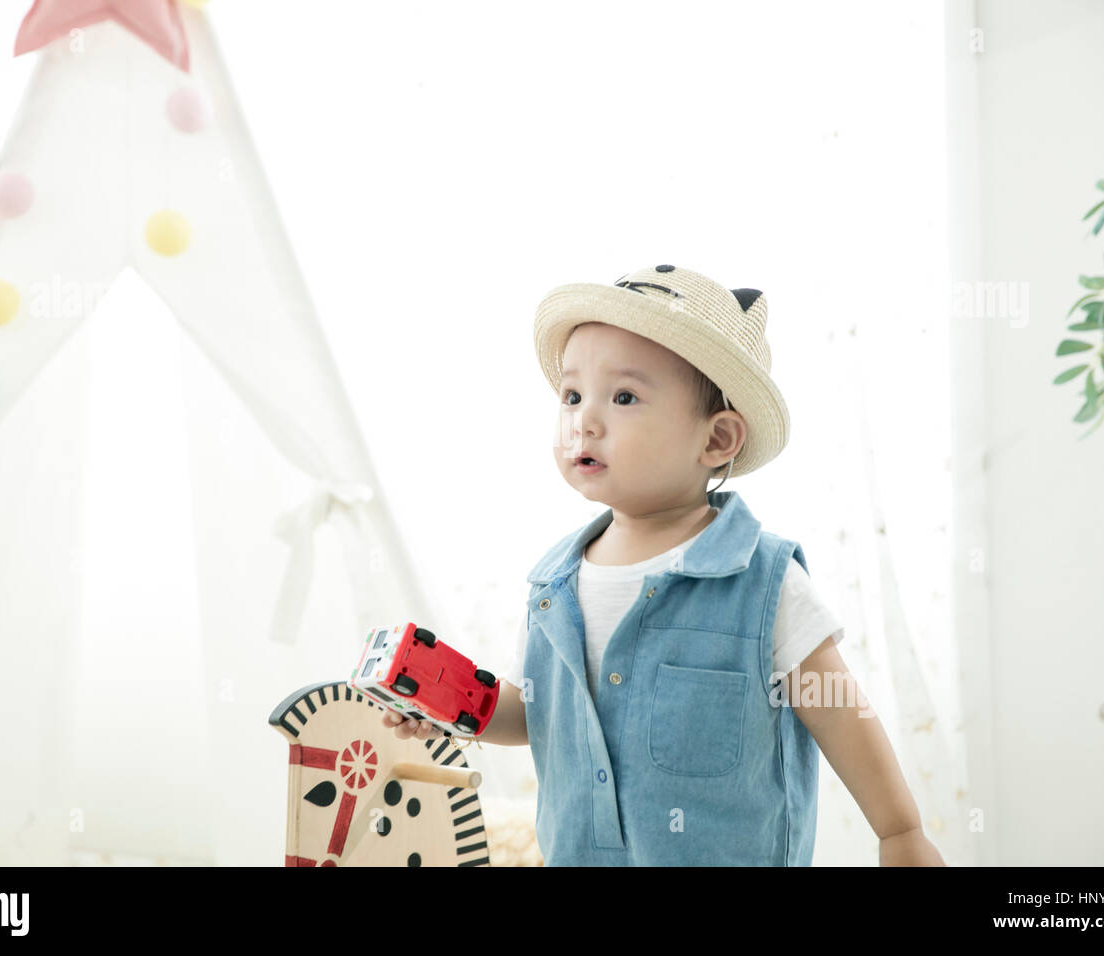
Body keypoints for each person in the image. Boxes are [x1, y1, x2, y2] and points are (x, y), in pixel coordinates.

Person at [385, 263, 944, 866]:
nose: (584, 419)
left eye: (623, 397)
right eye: (573, 395)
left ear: (717, 440)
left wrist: (900, 831)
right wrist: (452, 708)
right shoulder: (553, 585)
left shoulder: (762, 581)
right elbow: (537, 713)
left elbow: (836, 707)